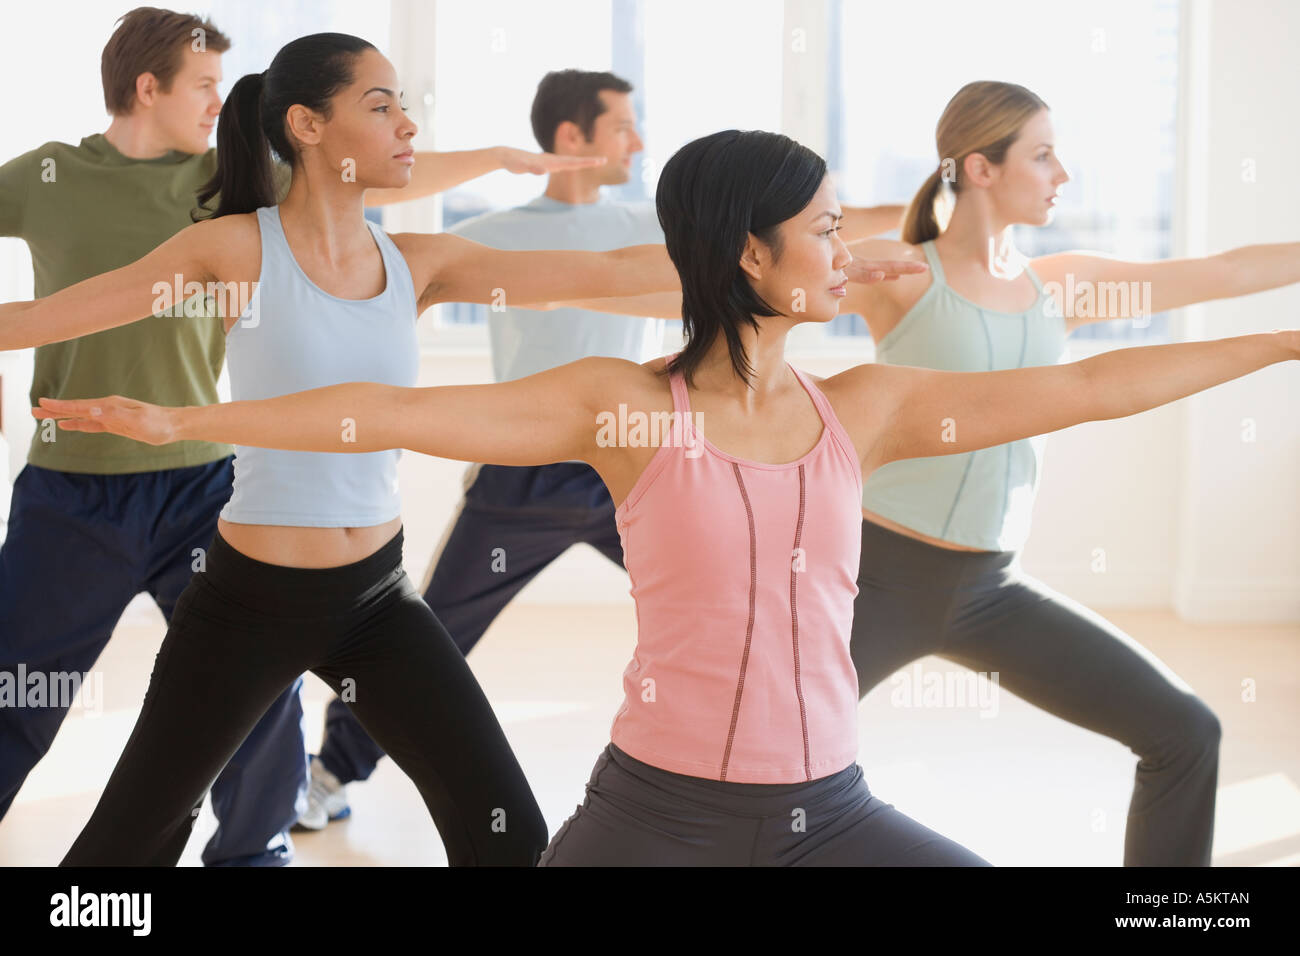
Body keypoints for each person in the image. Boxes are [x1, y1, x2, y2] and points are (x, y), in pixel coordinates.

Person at [36, 128, 1297, 865]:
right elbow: (391, 415)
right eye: (819, 229)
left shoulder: (868, 405)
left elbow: (1098, 386)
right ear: (749, 256)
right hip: (653, 816)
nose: (848, 248)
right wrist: (186, 418)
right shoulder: (623, 408)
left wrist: (1284, 343)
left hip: (832, 815)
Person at [0, 31, 682, 866]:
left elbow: (607, 270)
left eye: (405, 104)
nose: (408, 125)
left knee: (506, 828)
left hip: (375, 600)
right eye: (381, 104)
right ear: (307, 125)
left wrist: (761, 261)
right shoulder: (233, 248)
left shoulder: (418, 261)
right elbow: (35, 321)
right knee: (127, 844)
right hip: (248, 601)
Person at [299, 67, 908, 829]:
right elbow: (377, 253)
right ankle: (330, 770)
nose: (638, 140)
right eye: (622, 126)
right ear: (571, 138)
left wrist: (877, 234)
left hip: (646, 464)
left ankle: (808, 745)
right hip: (528, 469)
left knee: (773, 591)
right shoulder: (495, 234)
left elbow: (774, 228)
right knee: (440, 627)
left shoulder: (641, 227)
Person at [832, 80, 1300, 866]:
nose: (1063, 174)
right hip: (876, 579)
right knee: (760, 760)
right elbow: (762, 278)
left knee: (1185, 732)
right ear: (980, 168)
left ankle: (1169, 920)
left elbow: (1221, 272)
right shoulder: (904, 274)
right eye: (1043, 155)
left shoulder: (1059, 285)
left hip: (992, 589)